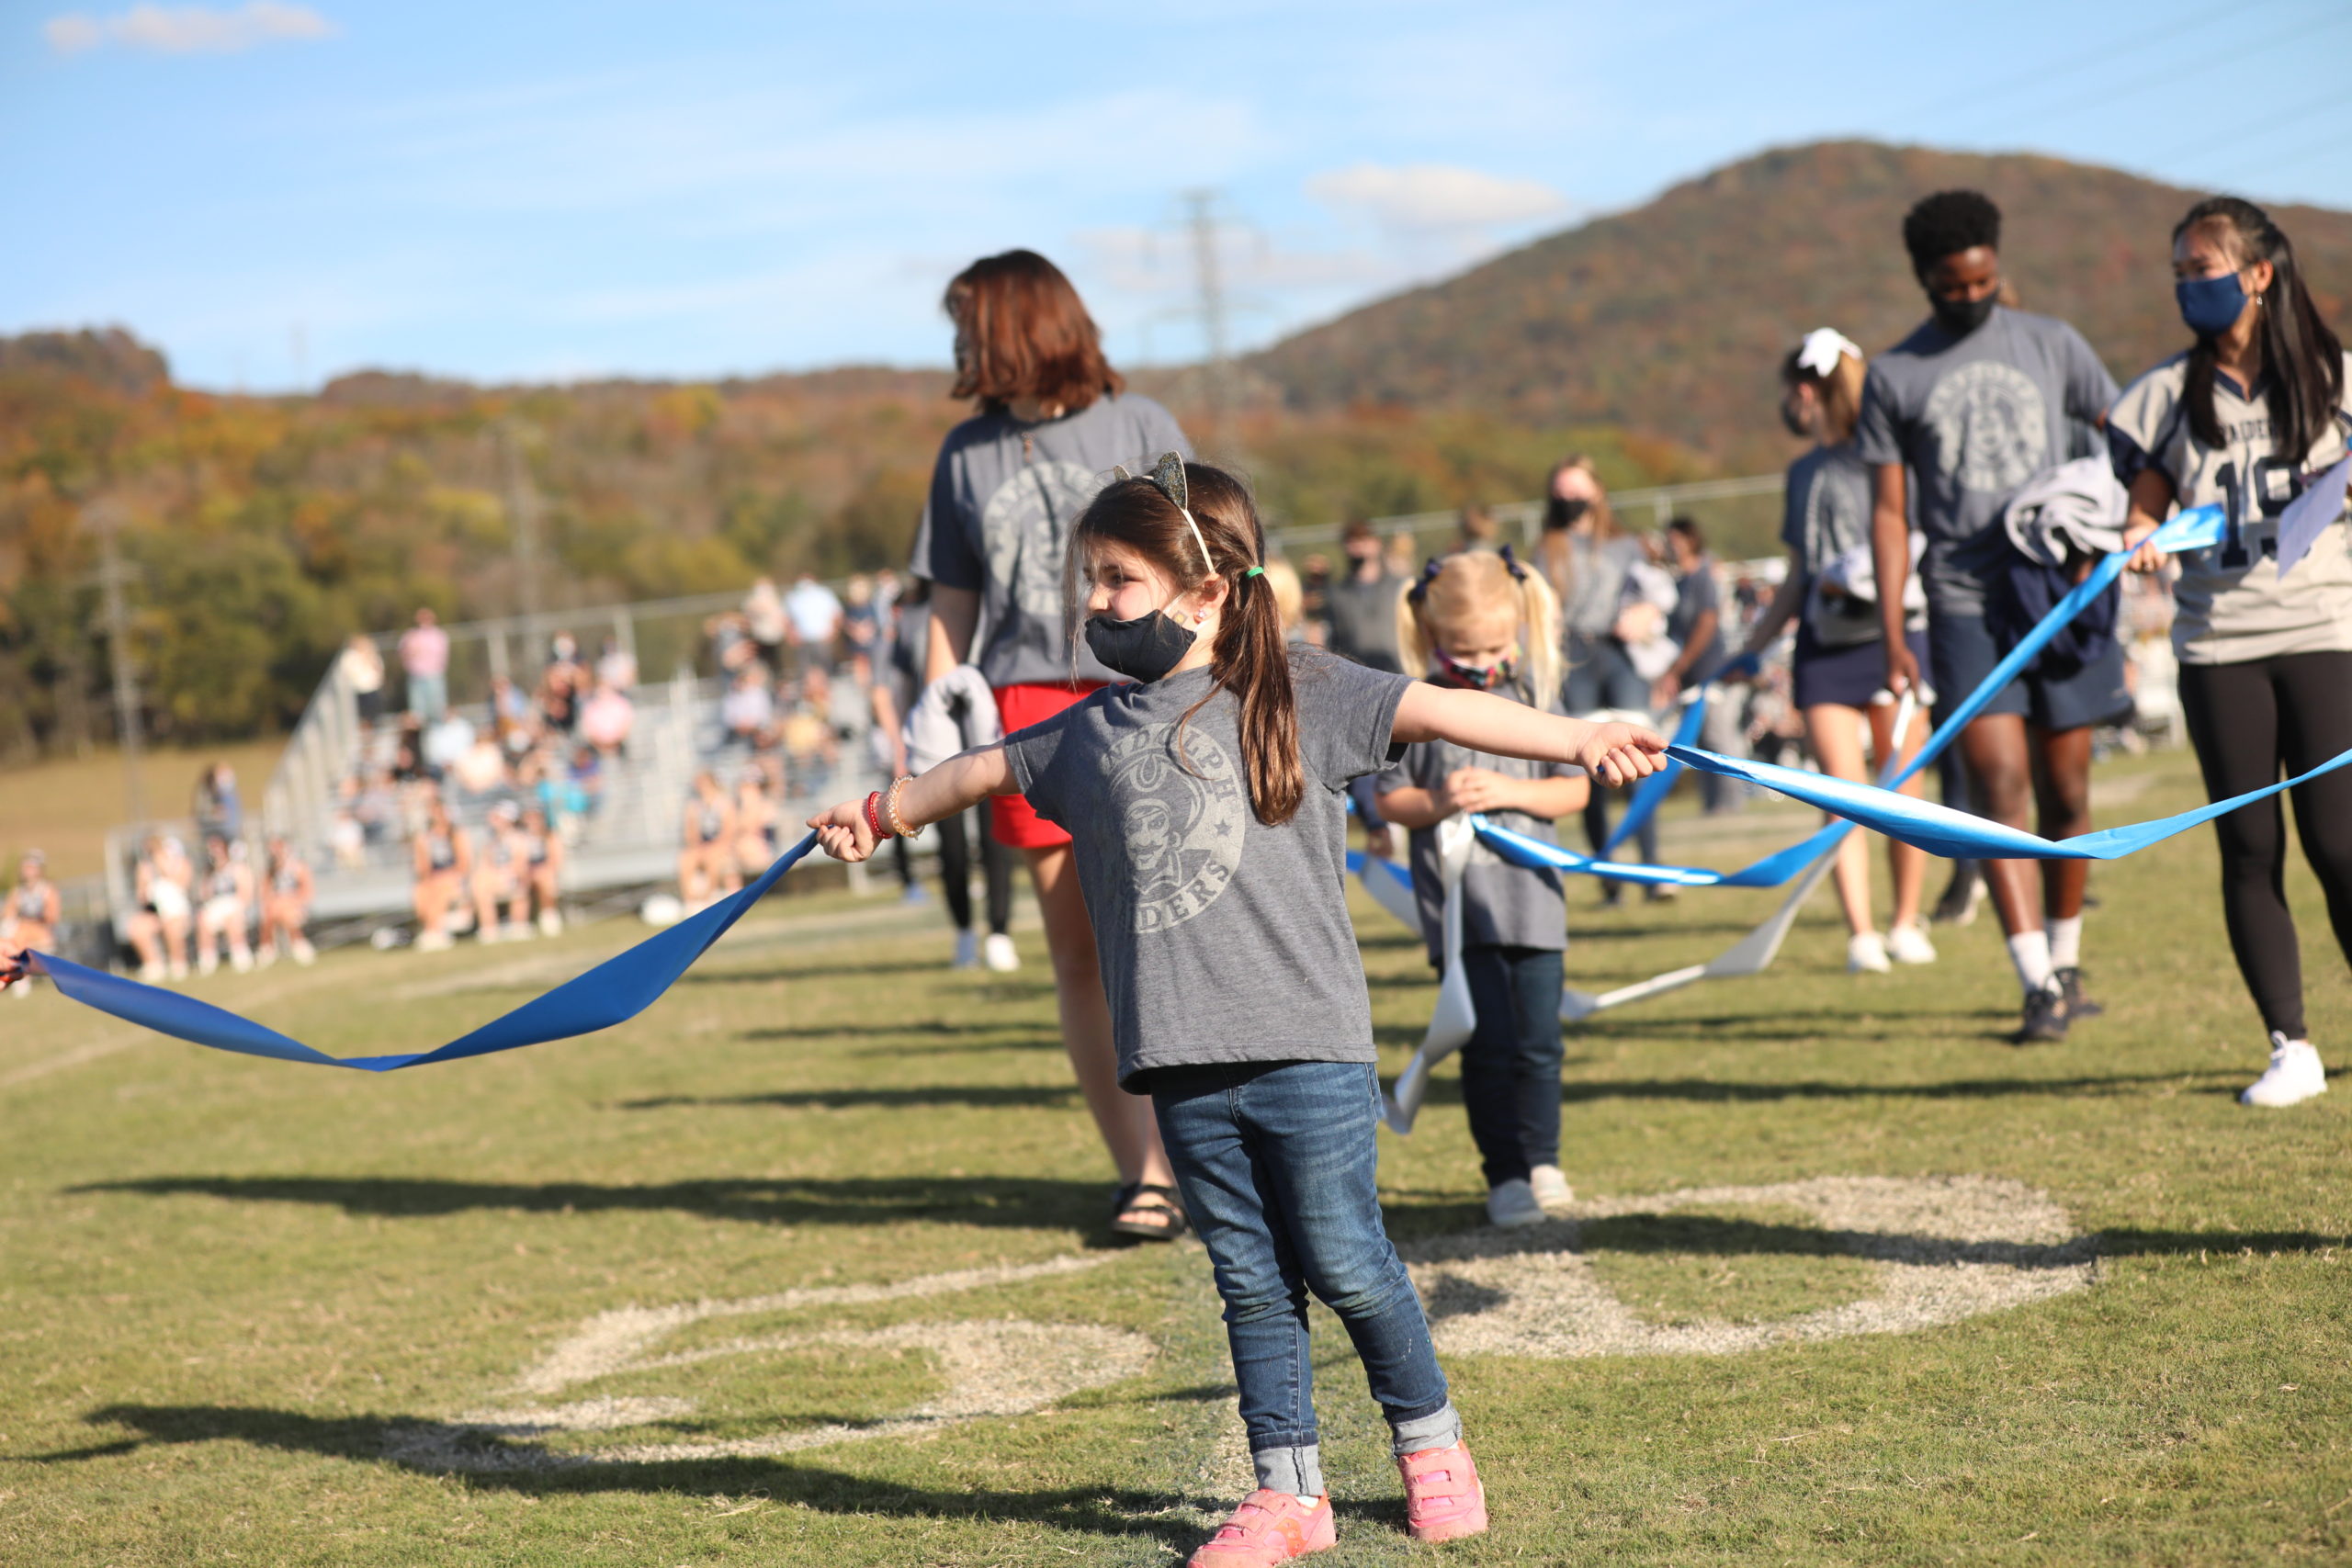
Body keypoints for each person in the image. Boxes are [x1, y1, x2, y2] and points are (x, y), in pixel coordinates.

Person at [807, 458, 1665, 1563]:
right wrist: (882, 812)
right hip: (1180, 1061)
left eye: (1118, 581)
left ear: (1204, 593)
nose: (1095, 605)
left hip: (1308, 1049)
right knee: (1249, 1279)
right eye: (1091, 582)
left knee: (1349, 1262)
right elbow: (980, 773)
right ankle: (1289, 1495)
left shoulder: (1302, 690)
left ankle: (1433, 1445)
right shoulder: (1089, 731)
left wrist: (1580, 735)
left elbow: (1443, 705)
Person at [910, 247, 1192, 1241]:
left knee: (1172, 926)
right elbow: (952, 595)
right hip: (1023, 706)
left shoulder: (1141, 423)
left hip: (1146, 692)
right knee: (1078, 952)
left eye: (966, 325)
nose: (955, 345)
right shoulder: (964, 452)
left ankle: (1216, 1147)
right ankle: (1144, 1173)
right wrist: (935, 696)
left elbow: (1203, 564)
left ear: (1017, 326)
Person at [1861, 189, 2123, 1042]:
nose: (1969, 297)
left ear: (1996, 267)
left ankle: (2069, 953)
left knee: (2069, 787)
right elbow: (1892, 513)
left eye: (1982, 282)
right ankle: (2035, 981)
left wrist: (2101, 524)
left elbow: (2125, 438)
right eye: (1951, 286)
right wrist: (1898, 634)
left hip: (2059, 589)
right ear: (1924, 280)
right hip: (1965, 599)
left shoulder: (2053, 343)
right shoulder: (1895, 374)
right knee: (1997, 788)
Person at [2112, 195, 2352, 1107]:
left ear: (2258, 274)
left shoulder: (2332, 379)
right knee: (2249, 847)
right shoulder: (2166, 395)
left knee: (2340, 842)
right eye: (2177, 272)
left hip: (2323, 630)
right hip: (2218, 645)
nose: (2187, 286)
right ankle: (2289, 1042)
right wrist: (2139, 533)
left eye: (2200, 269)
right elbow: (2144, 502)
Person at [1375, 551, 1588, 1227]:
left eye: (1496, 645)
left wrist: (1512, 791)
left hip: (1534, 908)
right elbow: (1388, 802)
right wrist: (1436, 799)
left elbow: (1576, 786)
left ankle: (1544, 1158)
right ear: (1434, 637)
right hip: (1461, 920)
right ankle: (1504, 1173)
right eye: (1466, 649)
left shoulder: (1537, 696)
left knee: (1539, 1043)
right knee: (1485, 1046)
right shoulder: (1416, 706)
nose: (1483, 658)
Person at [1743, 330, 1939, 972]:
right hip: (1826, 647)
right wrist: (1751, 647)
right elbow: (1799, 573)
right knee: (1840, 792)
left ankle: (1906, 921)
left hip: (1893, 638)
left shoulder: (1886, 458)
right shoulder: (1803, 472)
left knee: (1901, 787)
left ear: (1807, 389)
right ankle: (1861, 932)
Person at [1533, 456, 1656, 904]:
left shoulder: (1627, 545)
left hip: (1621, 654)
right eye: (1560, 493)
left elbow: (1656, 593)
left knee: (1643, 762)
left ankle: (1654, 870)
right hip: (1574, 656)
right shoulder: (1546, 549)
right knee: (1594, 768)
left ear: (1597, 492)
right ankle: (1610, 875)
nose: (1569, 501)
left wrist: (1647, 615)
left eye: (1576, 491)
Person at [889, 579, 1017, 970]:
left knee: (997, 839)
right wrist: (904, 745)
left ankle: (999, 931)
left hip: (988, 742)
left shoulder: (991, 608)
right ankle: (963, 929)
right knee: (953, 848)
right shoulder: (912, 619)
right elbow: (902, 685)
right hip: (936, 751)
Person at [1322, 520, 1406, 672]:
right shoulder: (1336, 594)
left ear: (1376, 543)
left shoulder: (1399, 587)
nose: (1357, 547)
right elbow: (1333, 640)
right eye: (1351, 541)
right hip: (1359, 677)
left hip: (1398, 673)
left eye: (1363, 540)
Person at [411, 795, 469, 953]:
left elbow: (464, 863)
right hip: (434, 879)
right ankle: (432, 931)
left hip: (453, 878)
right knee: (421, 891)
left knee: (443, 886)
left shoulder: (456, 834)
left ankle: (434, 932)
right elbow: (422, 868)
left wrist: (448, 875)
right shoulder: (424, 837)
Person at [469, 800, 533, 942]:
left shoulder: (518, 838)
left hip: (513, 879)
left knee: (514, 885)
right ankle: (489, 929)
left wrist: (506, 874)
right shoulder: (491, 840)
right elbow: (485, 863)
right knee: (479, 883)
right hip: (497, 879)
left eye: (497, 817)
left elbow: (521, 865)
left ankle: (519, 924)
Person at [192, 835, 256, 976]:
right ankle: (207, 961)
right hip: (215, 907)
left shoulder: (238, 868)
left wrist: (237, 908)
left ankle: (241, 957)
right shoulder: (209, 873)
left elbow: (246, 893)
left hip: (234, 906)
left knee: (232, 920)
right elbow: (203, 895)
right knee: (203, 921)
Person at [1, 851, 62, 998]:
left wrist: (29, 923)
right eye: (25, 866)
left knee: (21, 934)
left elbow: (52, 917)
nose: (27, 870)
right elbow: (7, 914)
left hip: (42, 934)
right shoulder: (18, 892)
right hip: (21, 933)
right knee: (13, 931)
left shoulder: (47, 890)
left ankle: (20, 976)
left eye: (31, 867)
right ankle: (16, 974)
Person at [679, 770, 740, 908]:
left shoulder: (724, 802)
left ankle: (708, 897)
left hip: (722, 845)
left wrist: (714, 845)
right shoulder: (694, 805)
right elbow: (691, 833)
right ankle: (690, 901)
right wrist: (697, 845)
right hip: (703, 846)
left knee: (712, 857)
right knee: (686, 859)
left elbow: (729, 830)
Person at [258, 835, 316, 966]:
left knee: (284, 911)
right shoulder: (270, 871)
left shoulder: (298, 867)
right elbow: (265, 893)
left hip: (294, 906)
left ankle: (270, 947)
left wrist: (291, 901)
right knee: (271, 912)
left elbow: (307, 891)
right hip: (275, 907)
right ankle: (277, 947)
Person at [519, 804, 565, 936]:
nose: (532, 821)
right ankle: (520, 923)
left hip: (544, 871)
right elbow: (519, 860)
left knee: (546, 877)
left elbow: (555, 860)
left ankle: (549, 915)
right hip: (525, 873)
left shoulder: (550, 836)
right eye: (529, 818)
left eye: (535, 817)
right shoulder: (521, 838)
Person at [784, 573, 844, 671]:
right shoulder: (792, 596)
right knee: (806, 670)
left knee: (825, 669)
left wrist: (834, 632)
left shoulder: (824, 593)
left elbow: (837, 614)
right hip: (802, 640)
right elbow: (786, 618)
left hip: (822, 638)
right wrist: (791, 635)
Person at [399, 607, 449, 723]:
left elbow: (440, 654)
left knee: (437, 709)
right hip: (416, 675)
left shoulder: (438, 635)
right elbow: (404, 652)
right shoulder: (411, 635)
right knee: (417, 712)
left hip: (433, 675)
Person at [340, 634, 387, 734]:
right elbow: (348, 670)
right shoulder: (351, 656)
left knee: (374, 709)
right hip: (359, 687)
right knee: (364, 712)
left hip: (372, 686)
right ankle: (366, 728)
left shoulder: (371, 654)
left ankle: (374, 726)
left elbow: (378, 668)